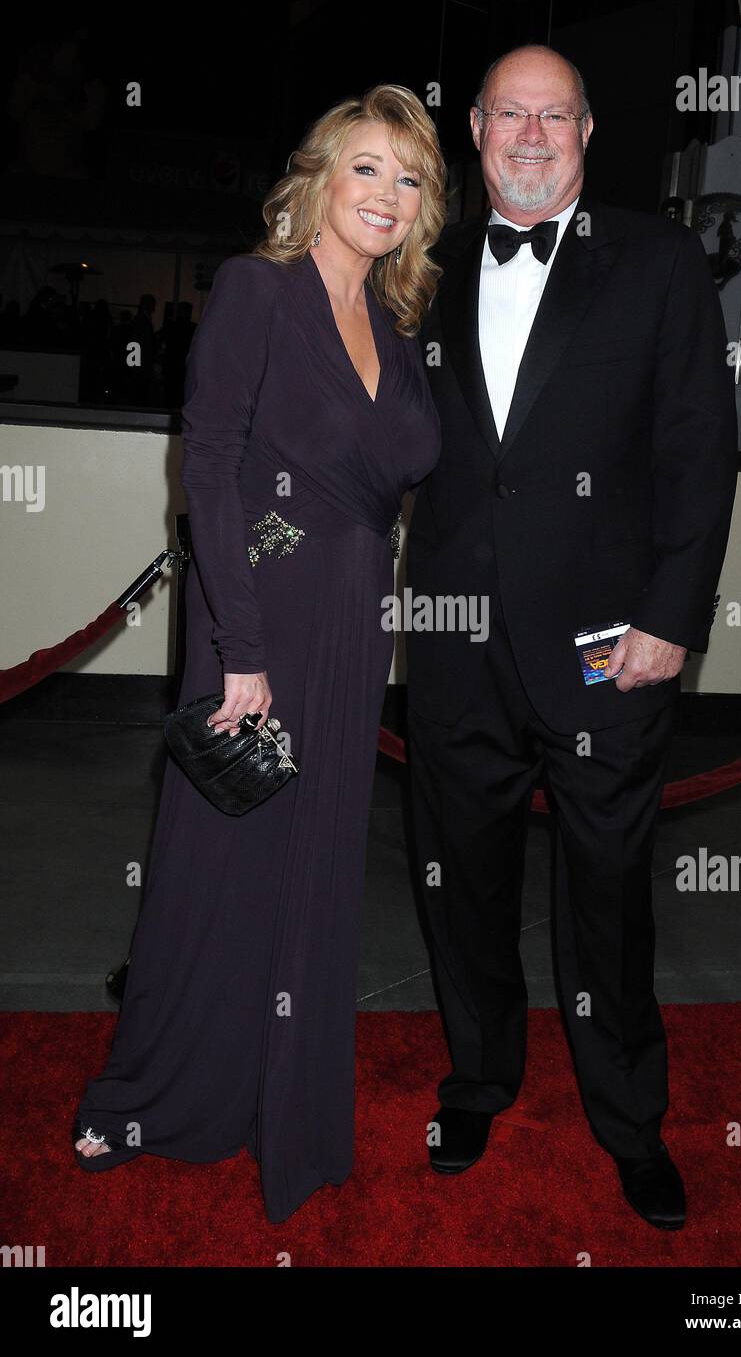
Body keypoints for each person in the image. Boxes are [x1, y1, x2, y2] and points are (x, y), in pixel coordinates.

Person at [72, 83, 446, 1225]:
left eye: (412, 177)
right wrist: (237, 648)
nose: (388, 193)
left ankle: (277, 1099)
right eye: (369, 167)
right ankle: (146, 1097)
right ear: (322, 177)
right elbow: (214, 468)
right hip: (259, 619)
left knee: (311, 871)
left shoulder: (395, 329)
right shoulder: (255, 289)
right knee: (214, 862)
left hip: (350, 625)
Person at [405, 44, 737, 1230]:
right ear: (477, 129)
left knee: (608, 893)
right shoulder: (420, 265)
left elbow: (701, 451)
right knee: (463, 888)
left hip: (610, 648)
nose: (531, 135)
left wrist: (671, 621)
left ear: (589, 131)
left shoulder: (655, 261)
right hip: (451, 648)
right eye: (509, 114)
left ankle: (630, 1121)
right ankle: (480, 1078)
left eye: (555, 115)